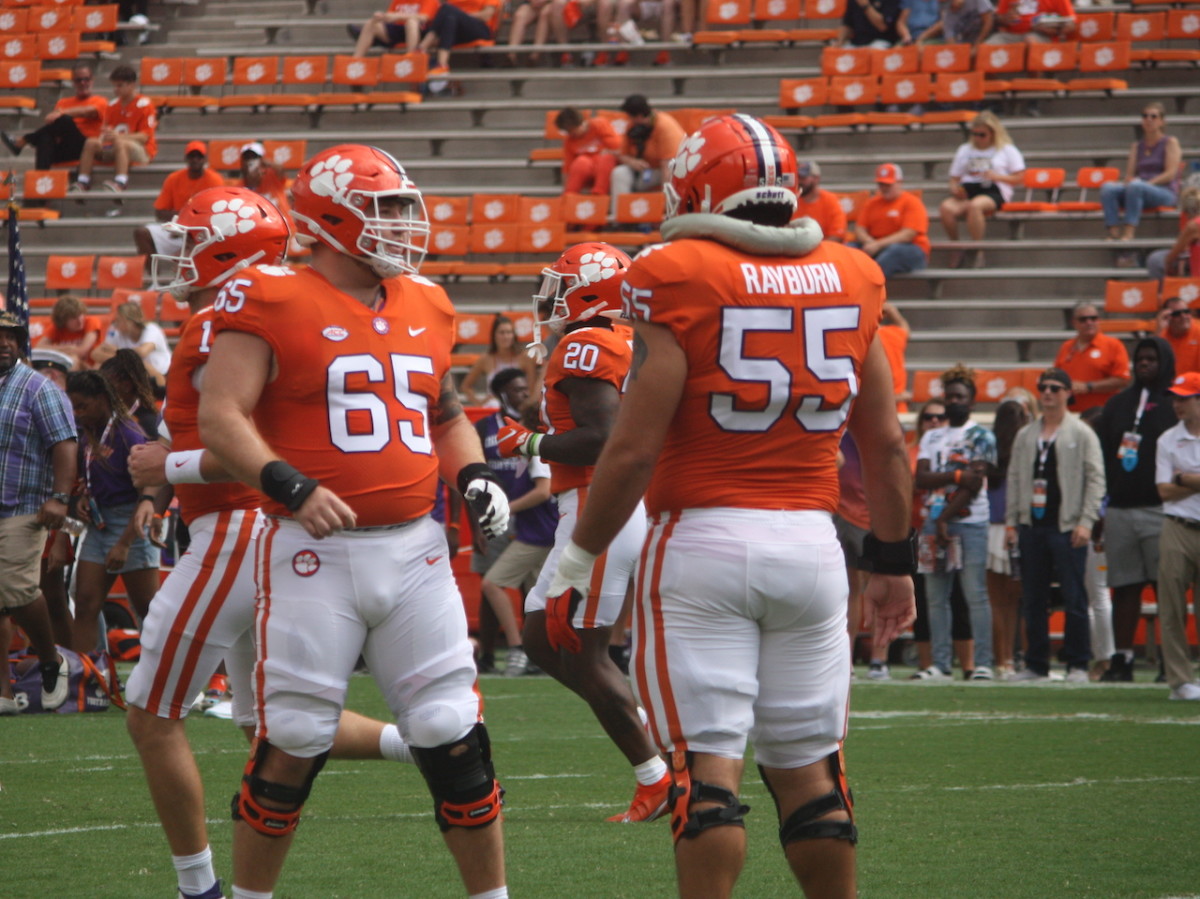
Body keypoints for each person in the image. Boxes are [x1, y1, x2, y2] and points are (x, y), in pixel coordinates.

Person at [542, 114, 915, 897]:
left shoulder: (674, 271)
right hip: (814, 548)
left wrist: (577, 556)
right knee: (812, 772)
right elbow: (883, 446)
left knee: (707, 776)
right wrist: (893, 561)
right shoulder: (855, 273)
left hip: (702, 540)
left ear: (699, 186)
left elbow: (633, 449)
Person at [196, 144, 509, 898]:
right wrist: (289, 483)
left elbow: (446, 413)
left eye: (405, 205)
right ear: (332, 217)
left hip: (416, 551)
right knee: (294, 737)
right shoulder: (268, 294)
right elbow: (221, 413)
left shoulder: (428, 301)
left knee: (450, 730)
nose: (404, 223)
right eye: (387, 207)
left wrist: (472, 475)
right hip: (312, 549)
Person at [125, 186, 415, 899]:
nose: (182, 258)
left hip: (236, 528)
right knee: (269, 717)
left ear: (228, 252)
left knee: (150, 713)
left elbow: (246, 445)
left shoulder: (225, 323)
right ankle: (432, 742)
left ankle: (200, 888)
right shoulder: (249, 316)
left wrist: (168, 467)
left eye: (194, 243)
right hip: (256, 528)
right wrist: (161, 486)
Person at [496, 241, 672, 823]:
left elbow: (602, 437)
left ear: (591, 290)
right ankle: (656, 746)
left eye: (559, 286)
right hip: (601, 503)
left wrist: (530, 444)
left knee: (580, 646)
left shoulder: (585, 344)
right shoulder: (629, 340)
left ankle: (658, 776)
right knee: (543, 638)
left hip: (601, 505)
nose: (550, 299)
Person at [1006, 367, 1105, 682]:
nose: (1047, 393)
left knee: (1074, 595)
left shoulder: (1081, 432)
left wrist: (1086, 521)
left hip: (1067, 525)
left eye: (1054, 388)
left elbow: (1095, 478)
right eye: (1043, 387)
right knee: (1034, 597)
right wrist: (1012, 520)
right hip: (1032, 525)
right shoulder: (1026, 434)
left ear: (1067, 393)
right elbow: (1015, 478)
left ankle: (1077, 662)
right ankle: (1036, 663)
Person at [0, 311, 76, 713]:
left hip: (24, 505)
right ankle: (5, 692)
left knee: (15, 589)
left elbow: (65, 443)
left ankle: (51, 660)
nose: (4, 342)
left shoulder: (37, 388)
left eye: (10, 335)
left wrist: (59, 497)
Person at [1093, 337, 1176, 682]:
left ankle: (1170, 661)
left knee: (1164, 588)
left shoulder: (1176, 404)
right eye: (1140, 359)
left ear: (1164, 362)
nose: (1144, 364)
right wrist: (1100, 509)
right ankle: (1122, 658)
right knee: (1124, 587)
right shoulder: (1117, 404)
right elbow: (1103, 456)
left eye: (1151, 359)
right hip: (1121, 509)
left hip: (1161, 508)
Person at [64, 369, 159, 655]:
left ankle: (164, 674)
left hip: (131, 522)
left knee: (148, 608)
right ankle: (88, 677)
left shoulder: (129, 433)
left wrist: (125, 542)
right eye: (74, 407)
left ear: (103, 399)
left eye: (83, 405)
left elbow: (148, 492)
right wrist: (83, 497)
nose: (78, 413)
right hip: (98, 522)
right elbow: (92, 478)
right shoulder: (87, 434)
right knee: (85, 603)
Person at [914, 364, 997, 680]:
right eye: (949, 396)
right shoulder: (932, 435)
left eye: (960, 396)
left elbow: (974, 484)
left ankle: (984, 663)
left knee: (975, 593)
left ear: (972, 402)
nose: (954, 402)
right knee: (936, 596)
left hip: (970, 521)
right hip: (933, 521)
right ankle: (940, 663)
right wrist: (957, 475)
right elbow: (921, 478)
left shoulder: (982, 435)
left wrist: (946, 516)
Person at [473, 368, 556, 677]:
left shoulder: (536, 444)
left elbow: (543, 491)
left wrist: (505, 509)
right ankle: (542, 654)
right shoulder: (522, 440)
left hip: (539, 532)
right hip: (537, 529)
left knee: (493, 584)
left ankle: (519, 648)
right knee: (537, 597)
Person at [1154, 371, 1200, 701]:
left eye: (1185, 397)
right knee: (1171, 606)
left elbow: (1174, 485)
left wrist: (1183, 478)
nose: (1178, 404)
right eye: (1176, 397)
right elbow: (1163, 490)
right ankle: (1180, 681)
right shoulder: (1167, 439)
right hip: (1177, 526)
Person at [985, 389, 1035, 679]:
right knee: (1021, 598)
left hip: (999, 526)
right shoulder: (1023, 447)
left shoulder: (993, 447)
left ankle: (1005, 660)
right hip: (1011, 525)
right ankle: (1023, 660)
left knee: (1000, 600)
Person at [940, 112, 1025, 269]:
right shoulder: (965, 149)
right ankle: (956, 247)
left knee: (976, 205)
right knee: (946, 207)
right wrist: (955, 189)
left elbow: (1019, 177)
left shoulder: (1006, 150)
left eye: (982, 135)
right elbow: (954, 178)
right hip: (968, 190)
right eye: (974, 134)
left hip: (994, 190)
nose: (977, 138)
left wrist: (997, 176)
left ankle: (978, 249)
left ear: (993, 133)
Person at [1101, 103, 1182, 243]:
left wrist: (1146, 184)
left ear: (1162, 121)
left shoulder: (1170, 142)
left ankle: (1129, 231)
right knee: (1108, 188)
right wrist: (1131, 183)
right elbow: (1130, 174)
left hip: (1163, 191)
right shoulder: (1136, 146)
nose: (1149, 119)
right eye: (1145, 116)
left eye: (1153, 116)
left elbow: (1170, 173)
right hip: (1138, 189)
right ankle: (1113, 231)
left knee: (1136, 186)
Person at [0, 63, 107, 169]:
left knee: (65, 119)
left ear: (92, 80)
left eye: (86, 79)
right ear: (73, 82)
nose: (83, 83)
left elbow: (86, 112)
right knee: (45, 138)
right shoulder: (63, 102)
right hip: (65, 148)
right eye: (78, 80)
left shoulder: (100, 101)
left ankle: (24, 140)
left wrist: (61, 112)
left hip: (86, 148)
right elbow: (53, 126)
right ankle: (40, 179)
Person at [72, 65, 158, 196]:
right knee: (91, 143)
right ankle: (83, 181)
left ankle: (121, 182)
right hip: (115, 147)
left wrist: (118, 136)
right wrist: (105, 137)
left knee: (120, 142)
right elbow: (106, 133)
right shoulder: (112, 106)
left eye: (120, 85)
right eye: (114, 86)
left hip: (142, 150)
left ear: (131, 85)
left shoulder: (144, 104)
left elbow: (144, 137)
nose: (116, 89)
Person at [133, 140, 226, 259]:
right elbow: (160, 212)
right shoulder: (174, 178)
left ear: (205, 159)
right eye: (192, 156)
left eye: (199, 156)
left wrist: (189, 219)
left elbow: (217, 211)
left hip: (202, 231)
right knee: (141, 233)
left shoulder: (215, 180)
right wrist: (186, 218)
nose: (195, 160)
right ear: (186, 159)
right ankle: (150, 274)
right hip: (177, 229)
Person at [609, 95, 686, 222]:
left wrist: (663, 202)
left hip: (672, 170)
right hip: (647, 170)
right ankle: (621, 219)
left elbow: (668, 167)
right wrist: (632, 162)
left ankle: (667, 217)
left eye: (630, 116)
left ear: (638, 116)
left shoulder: (665, 126)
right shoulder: (632, 126)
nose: (628, 119)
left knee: (669, 174)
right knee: (619, 173)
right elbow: (622, 154)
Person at [852, 162, 930, 279]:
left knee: (894, 251)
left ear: (899, 182)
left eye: (888, 184)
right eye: (881, 184)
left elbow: (908, 234)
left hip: (910, 249)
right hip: (877, 246)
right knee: (850, 248)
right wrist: (869, 241)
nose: (884, 188)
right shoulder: (872, 203)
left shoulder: (912, 202)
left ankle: (869, 284)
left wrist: (877, 245)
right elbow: (859, 228)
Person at [1053, 301, 1132, 413]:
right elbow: (1056, 377)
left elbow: (1123, 380)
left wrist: (1088, 386)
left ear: (1098, 320)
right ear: (1074, 323)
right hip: (1071, 413)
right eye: (1083, 319)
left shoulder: (1113, 345)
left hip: (1102, 413)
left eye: (1093, 318)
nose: (1089, 322)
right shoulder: (1066, 347)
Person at [459, 314, 538, 407]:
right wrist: (479, 404)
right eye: (502, 332)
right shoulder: (486, 359)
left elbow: (532, 389)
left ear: (514, 335)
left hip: (518, 406)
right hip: (494, 406)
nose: (506, 336)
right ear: (494, 335)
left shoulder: (525, 357)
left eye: (509, 332)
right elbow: (465, 386)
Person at [92, 301, 172, 389]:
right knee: (100, 364)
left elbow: (142, 352)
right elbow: (95, 354)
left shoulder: (152, 329)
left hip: (161, 373)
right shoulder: (115, 331)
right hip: (135, 373)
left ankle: (161, 390)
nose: (115, 323)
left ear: (130, 321)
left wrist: (116, 351)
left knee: (139, 363)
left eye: (119, 320)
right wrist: (120, 356)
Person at [417, 0, 499, 78]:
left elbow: (486, 16)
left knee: (447, 9)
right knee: (450, 18)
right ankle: (442, 65)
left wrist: (461, 15)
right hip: (455, 29)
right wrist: (457, 15)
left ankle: (421, 48)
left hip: (480, 29)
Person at [555, 107, 621, 197]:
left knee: (606, 158)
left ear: (580, 125)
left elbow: (617, 148)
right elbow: (567, 168)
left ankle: (599, 193)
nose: (570, 134)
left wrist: (607, 153)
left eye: (571, 131)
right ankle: (569, 196)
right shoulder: (570, 140)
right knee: (581, 162)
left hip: (604, 165)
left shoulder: (599, 125)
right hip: (586, 168)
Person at [100, 348, 160, 439]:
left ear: (126, 386)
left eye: (107, 385)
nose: (101, 390)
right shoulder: (110, 415)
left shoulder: (146, 422)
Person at [35, 295, 104, 370]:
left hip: (91, 367)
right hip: (68, 364)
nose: (80, 321)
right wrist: (68, 348)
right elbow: (39, 347)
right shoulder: (57, 328)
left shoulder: (91, 322)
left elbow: (82, 351)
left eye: (81, 315)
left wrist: (59, 350)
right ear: (63, 320)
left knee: (73, 359)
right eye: (74, 318)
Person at [349, 0, 439, 57]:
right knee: (371, 23)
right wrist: (382, 16)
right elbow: (390, 18)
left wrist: (398, 16)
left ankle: (411, 59)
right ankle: (356, 61)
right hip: (398, 30)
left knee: (411, 22)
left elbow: (424, 17)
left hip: (419, 32)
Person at [794, 160, 847, 243]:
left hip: (827, 250)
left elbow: (837, 235)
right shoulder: (793, 201)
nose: (799, 182)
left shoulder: (830, 200)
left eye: (803, 178)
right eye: (797, 178)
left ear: (816, 178)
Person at [507, 0, 569, 65]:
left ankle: (534, 56)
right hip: (532, 5)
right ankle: (511, 56)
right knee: (520, 15)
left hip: (551, 4)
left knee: (545, 13)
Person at [986, 0, 1076, 44]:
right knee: (987, 47)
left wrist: (1055, 31)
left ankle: (1035, 80)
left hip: (1043, 36)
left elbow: (1072, 24)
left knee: (1030, 39)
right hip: (1012, 35)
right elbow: (998, 18)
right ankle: (993, 80)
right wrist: (1004, 19)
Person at [914, 0, 994, 46]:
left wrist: (978, 44)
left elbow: (988, 21)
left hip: (989, 36)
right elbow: (950, 39)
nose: (949, 7)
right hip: (967, 42)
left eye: (950, 3)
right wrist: (959, 52)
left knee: (986, 50)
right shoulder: (948, 14)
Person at [1157, 297, 1200, 378]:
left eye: (1186, 312)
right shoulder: (1162, 336)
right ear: (1167, 317)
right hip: (1169, 387)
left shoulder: (1198, 332)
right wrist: (1159, 329)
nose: (1183, 316)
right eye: (1177, 314)